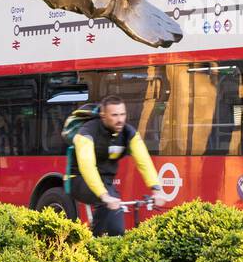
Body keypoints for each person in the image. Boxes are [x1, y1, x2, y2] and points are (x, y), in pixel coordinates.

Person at [68, 95, 168, 237]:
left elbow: (143, 160)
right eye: (114, 115)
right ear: (103, 116)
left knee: (117, 230)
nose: (120, 119)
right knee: (108, 204)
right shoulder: (87, 132)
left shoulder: (128, 132)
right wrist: (104, 195)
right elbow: (87, 166)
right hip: (79, 181)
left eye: (122, 114)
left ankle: (97, 239)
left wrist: (156, 189)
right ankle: (92, 243)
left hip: (106, 183)